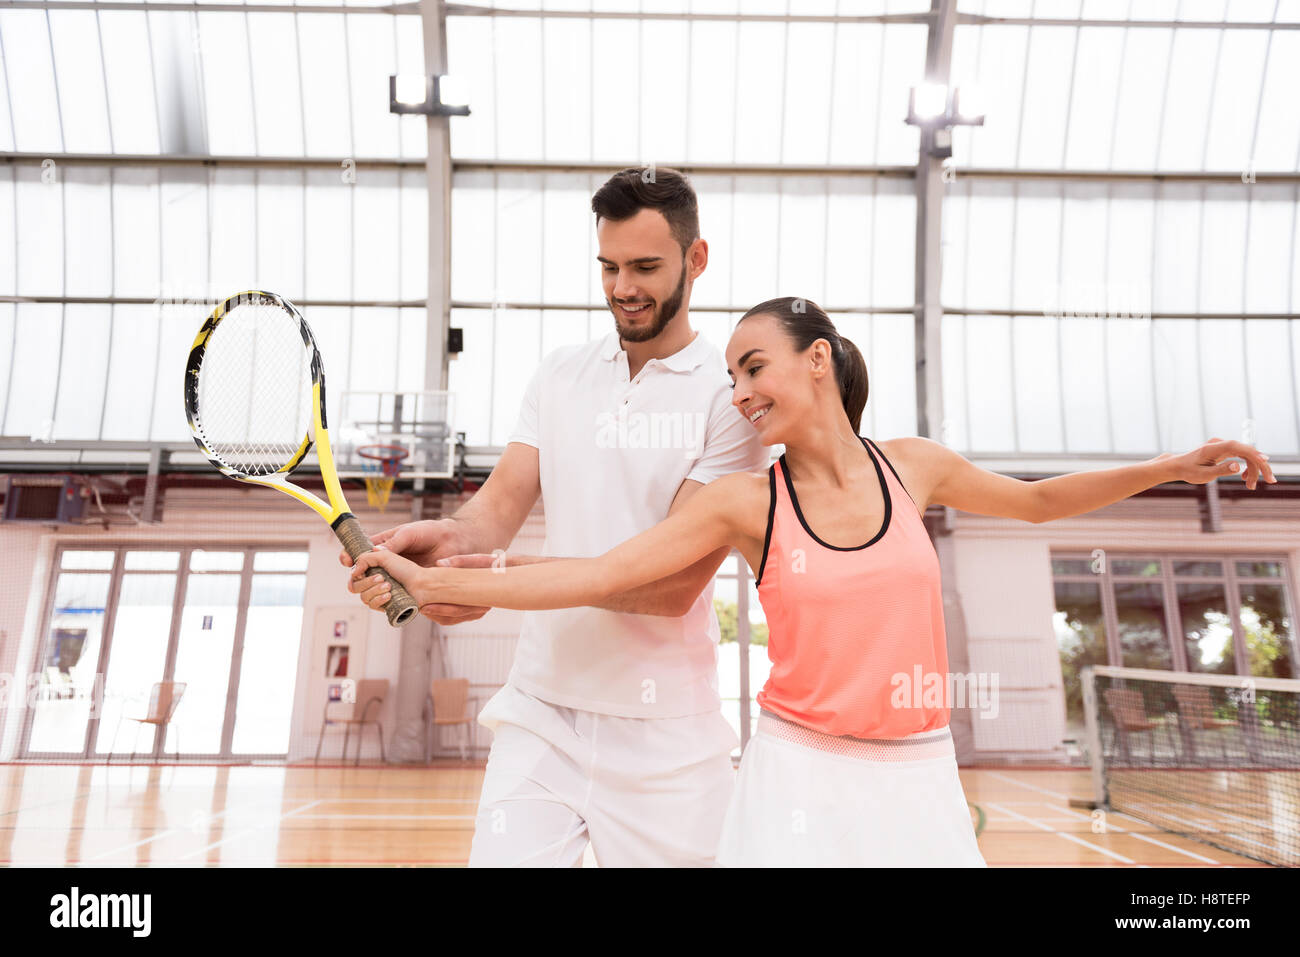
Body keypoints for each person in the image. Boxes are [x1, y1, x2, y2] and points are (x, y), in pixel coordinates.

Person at [351, 295, 1277, 867]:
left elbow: (1038, 503)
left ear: (818, 359)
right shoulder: (742, 501)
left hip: (920, 774)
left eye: (754, 368)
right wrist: (453, 580)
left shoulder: (915, 467)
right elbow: (601, 572)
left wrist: (1169, 465)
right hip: (795, 775)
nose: (740, 393)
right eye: (730, 376)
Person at [341, 167, 769, 867]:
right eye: (608, 266)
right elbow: (493, 515)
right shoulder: (559, 373)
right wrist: (439, 549)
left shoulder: (732, 402)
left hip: (668, 733)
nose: (622, 287)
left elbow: (668, 585)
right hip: (541, 713)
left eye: (645, 266)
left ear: (697, 260)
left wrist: (475, 584)